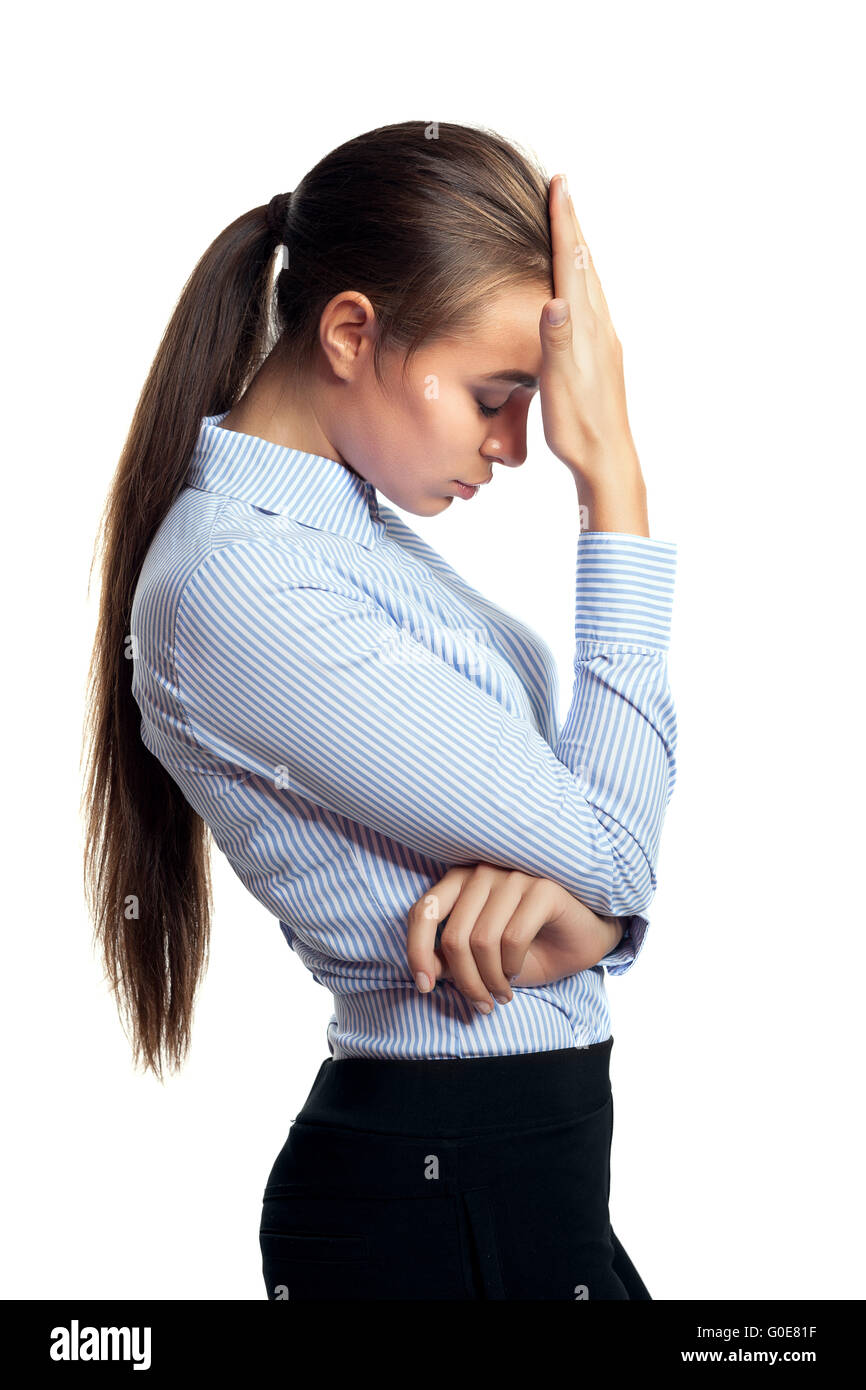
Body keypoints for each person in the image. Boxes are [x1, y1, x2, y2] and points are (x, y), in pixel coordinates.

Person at [82, 119, 678, 1300]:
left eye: (546, 405)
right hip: (439, 1185)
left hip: (506, 1165)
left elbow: (586, 853)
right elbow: (608, 849)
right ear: (350, 331)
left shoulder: (330, 534)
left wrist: (588, 906)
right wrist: (611, 475)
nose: (519, 443)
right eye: (497, 395)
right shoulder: (242, 584)